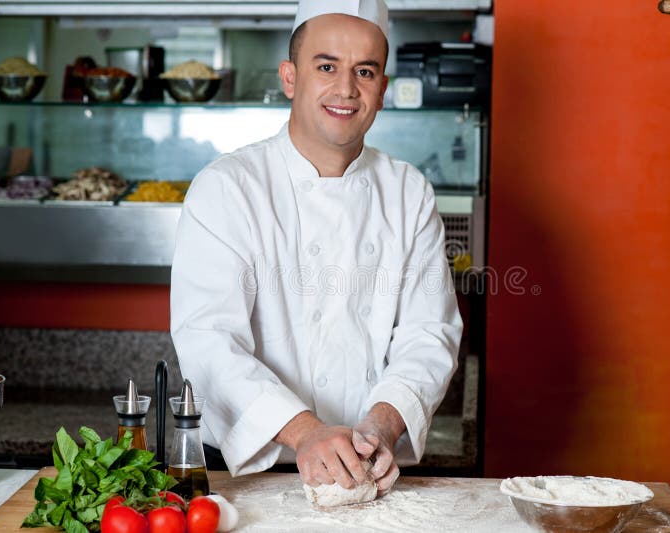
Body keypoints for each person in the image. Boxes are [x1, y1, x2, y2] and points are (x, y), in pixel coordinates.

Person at [170, 0, 462, 497]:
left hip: (370, 466)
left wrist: (383, 426)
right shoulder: (227, 187)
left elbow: (428, 333)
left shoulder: (409, 192)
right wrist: (305, 433)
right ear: (290, 77)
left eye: (364, 71)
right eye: (326, 66)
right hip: (248, 471)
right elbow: (208, 339)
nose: (346, 89)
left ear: (382, 89)